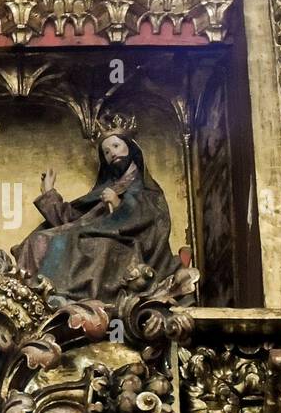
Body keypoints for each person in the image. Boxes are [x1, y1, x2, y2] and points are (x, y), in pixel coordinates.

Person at [12, 128, 177, 302]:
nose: (112, 153)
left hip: (126, 244)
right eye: (106, 152)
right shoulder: (106, 188)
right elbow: (76, 220)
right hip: (87, 234)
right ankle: (28, 297)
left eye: (116, 146)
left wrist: (117, 204)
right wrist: (49, 192)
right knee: (38, 239)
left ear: (130, 147)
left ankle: (61, 294)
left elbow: (152, 221)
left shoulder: (146, 189)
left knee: (100, 245)